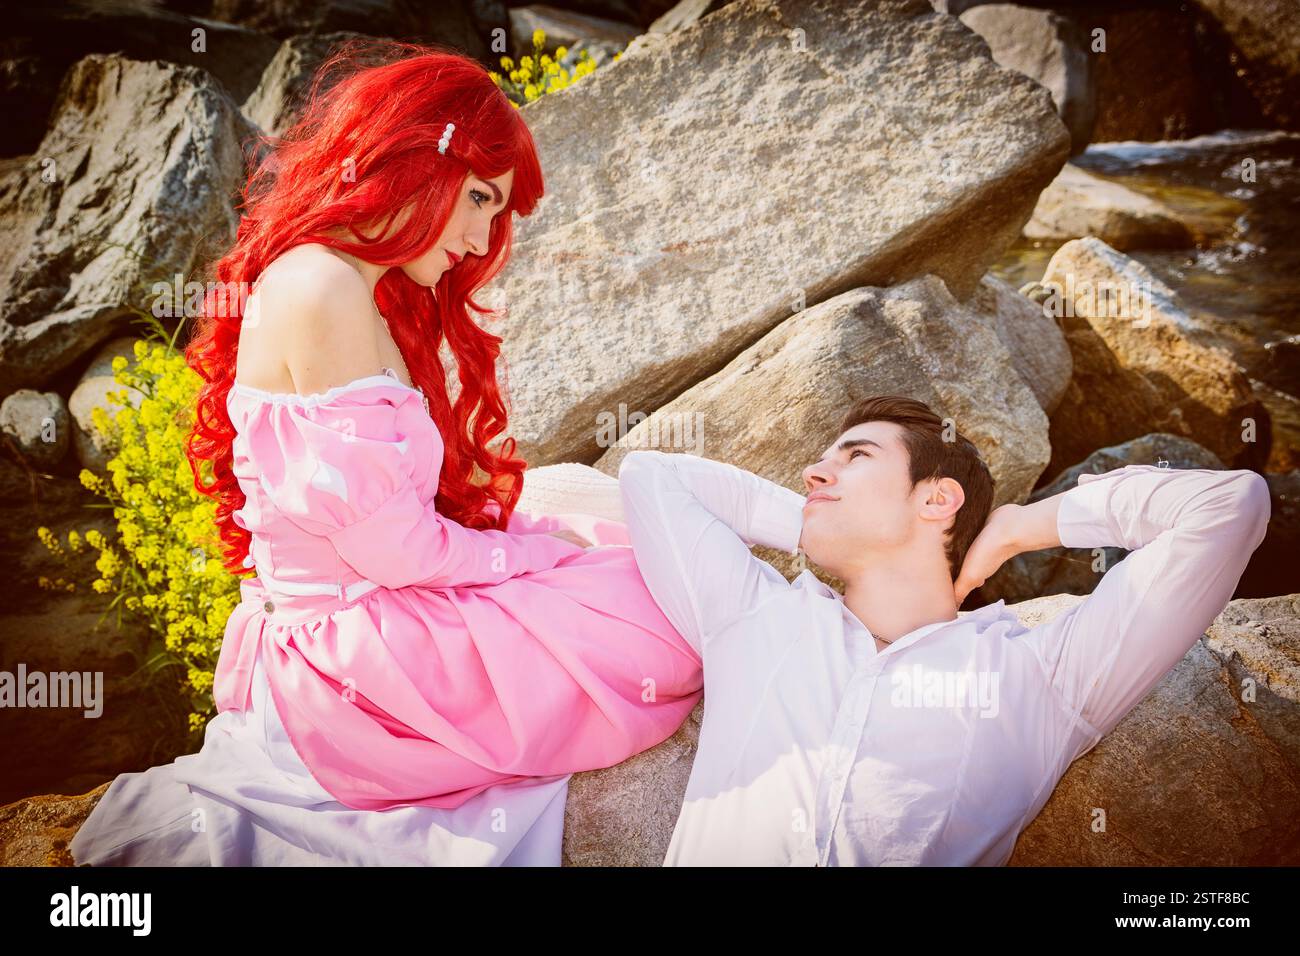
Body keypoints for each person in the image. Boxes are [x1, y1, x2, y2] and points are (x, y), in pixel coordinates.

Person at [69, 42, 702, 866]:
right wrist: (523, 554)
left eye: (493, 211)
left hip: (363, 616)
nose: (479, 239)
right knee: (648, 629)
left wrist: (530, 544)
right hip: (348, 663)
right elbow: (393, 549)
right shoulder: (325, 289)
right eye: (478, 198)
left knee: (629, 569)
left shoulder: (347, 279)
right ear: (410, 156)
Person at [617, 395, 1271, 866]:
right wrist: (818, 523)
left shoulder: (1038, 679)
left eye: (855, 457)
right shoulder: (756, 616)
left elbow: (1229, 509)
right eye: (821, 465)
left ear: (937, 500)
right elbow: (653, 477)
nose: (815, 473)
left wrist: (1023, 527)